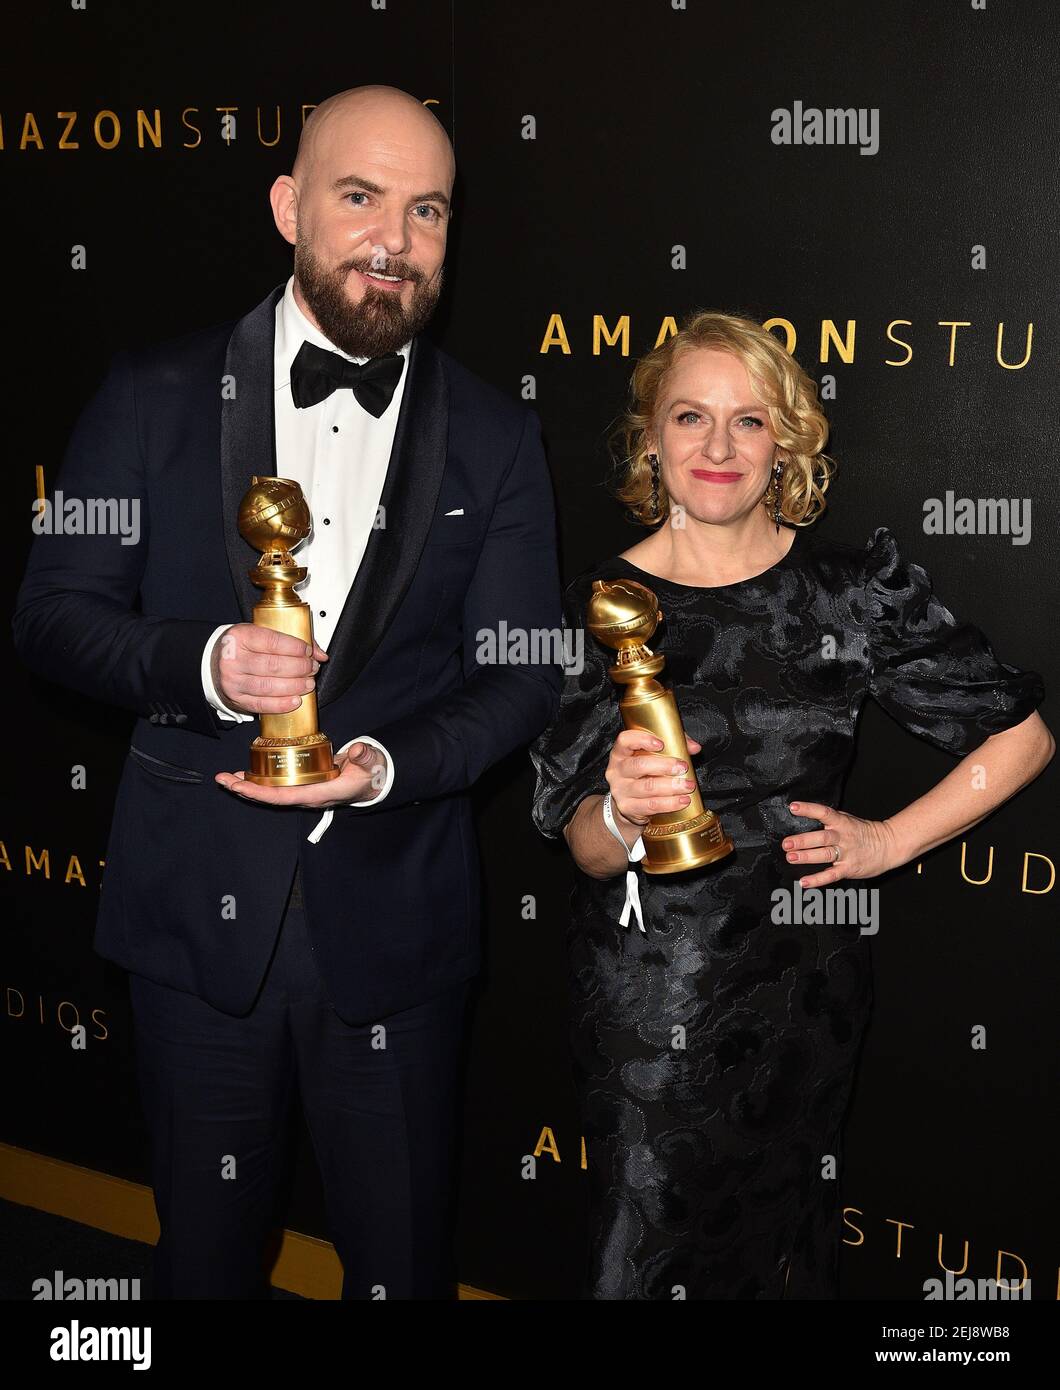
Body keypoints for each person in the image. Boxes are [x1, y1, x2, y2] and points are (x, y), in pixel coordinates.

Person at [13, 85, 563, 1299]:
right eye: (360, 197)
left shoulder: (492, 435)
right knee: (200, 1264)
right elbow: (51, 615)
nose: (394, 238)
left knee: (401, 1269)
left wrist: (387, 766)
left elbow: (524, 667)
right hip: (191, 926)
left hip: (397, 930)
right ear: (287, 206)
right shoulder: (153, 392)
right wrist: (202, 663)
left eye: (426, 210)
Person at [529, 310, 1052, 1300]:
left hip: (804, 1001)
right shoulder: (594, 604)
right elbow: (584, 847)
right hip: (649, 1008)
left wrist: (889, 840)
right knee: (642, 1263)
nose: (718, 447)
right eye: (689, 417)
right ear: (648, 436)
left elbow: (1019, 736)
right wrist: (621, 813)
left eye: (749, 421)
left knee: (784, 1258)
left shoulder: (850, 591)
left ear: (787, 443)